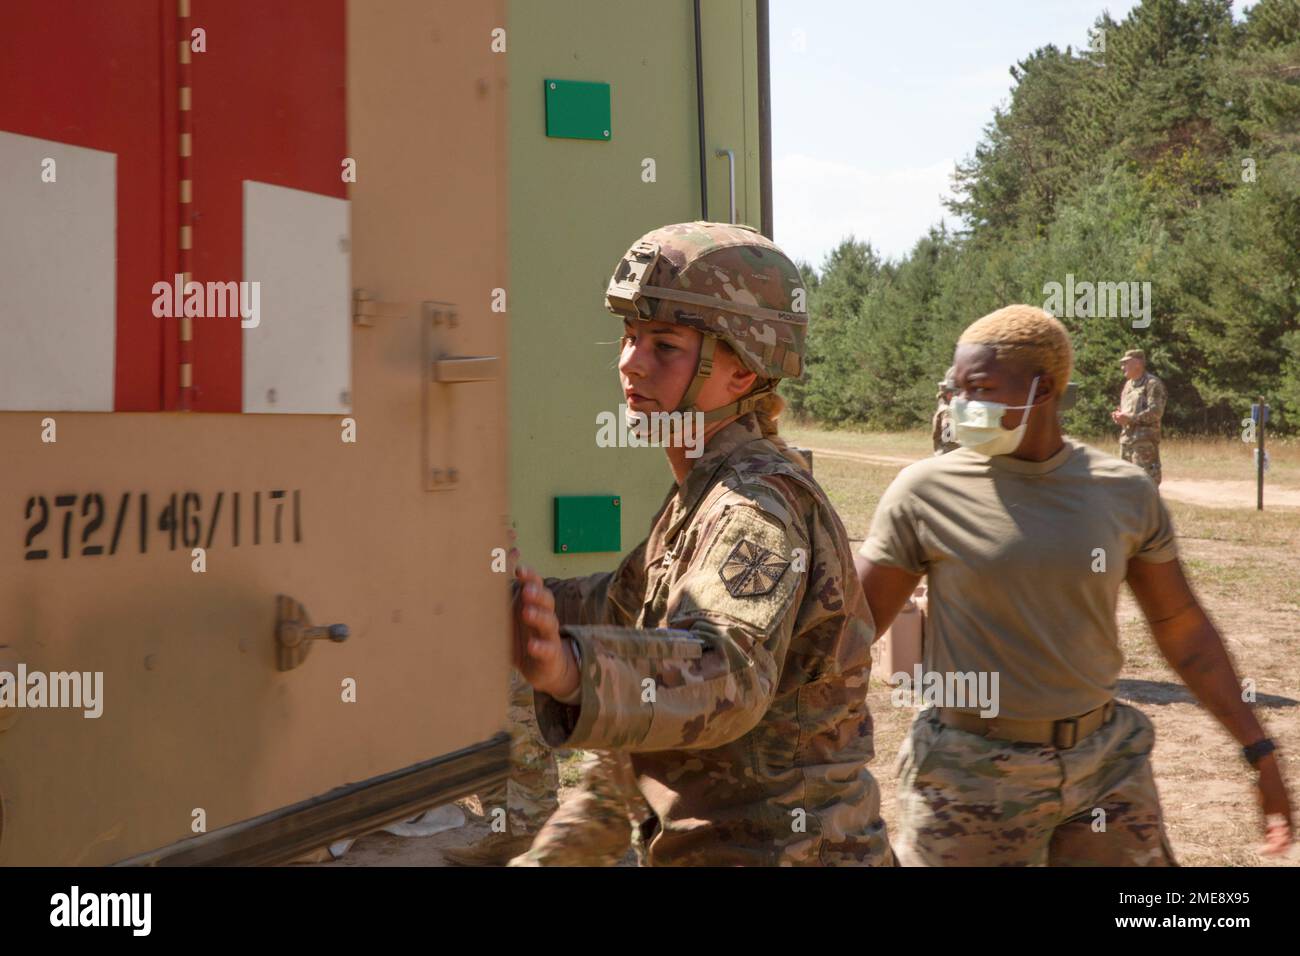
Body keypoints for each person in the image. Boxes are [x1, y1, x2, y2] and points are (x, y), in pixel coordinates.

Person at [510, 221, 894, 866]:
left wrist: (572, 667)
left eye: (665, 345)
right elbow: (625, 607)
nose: (631, 362)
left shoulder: (756, 506)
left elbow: (728, 672)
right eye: (630, 338)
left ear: (741, 373)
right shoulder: (702, 494)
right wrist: (515, 603)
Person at [855, 304, 1292, 866]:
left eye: (980, 387)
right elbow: (850, 630)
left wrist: (1259, 750)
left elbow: (1184, 632)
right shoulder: (923, 492)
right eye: (955, 388)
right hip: (969, 774)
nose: (960, 405)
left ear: (1042, 389)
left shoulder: (1123, 492)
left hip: (1105, 766)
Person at [1112, 348, 1166, 486]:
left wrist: (1130, 418)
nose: (1122, 367)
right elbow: (1128, 410)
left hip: (1144, 443)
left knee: (1145, 483)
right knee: (1126, 484)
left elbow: (1156, 412)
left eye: (1126, 363)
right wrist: (1119, 415)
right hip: (1126, 441)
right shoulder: (1127, 386)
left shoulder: (1152, 384)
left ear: (1137, 364)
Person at [931, 367, 960, 455]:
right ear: (949, 395)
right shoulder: (948, 411)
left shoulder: (944, 408)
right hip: (948, 455)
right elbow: (948, 437)